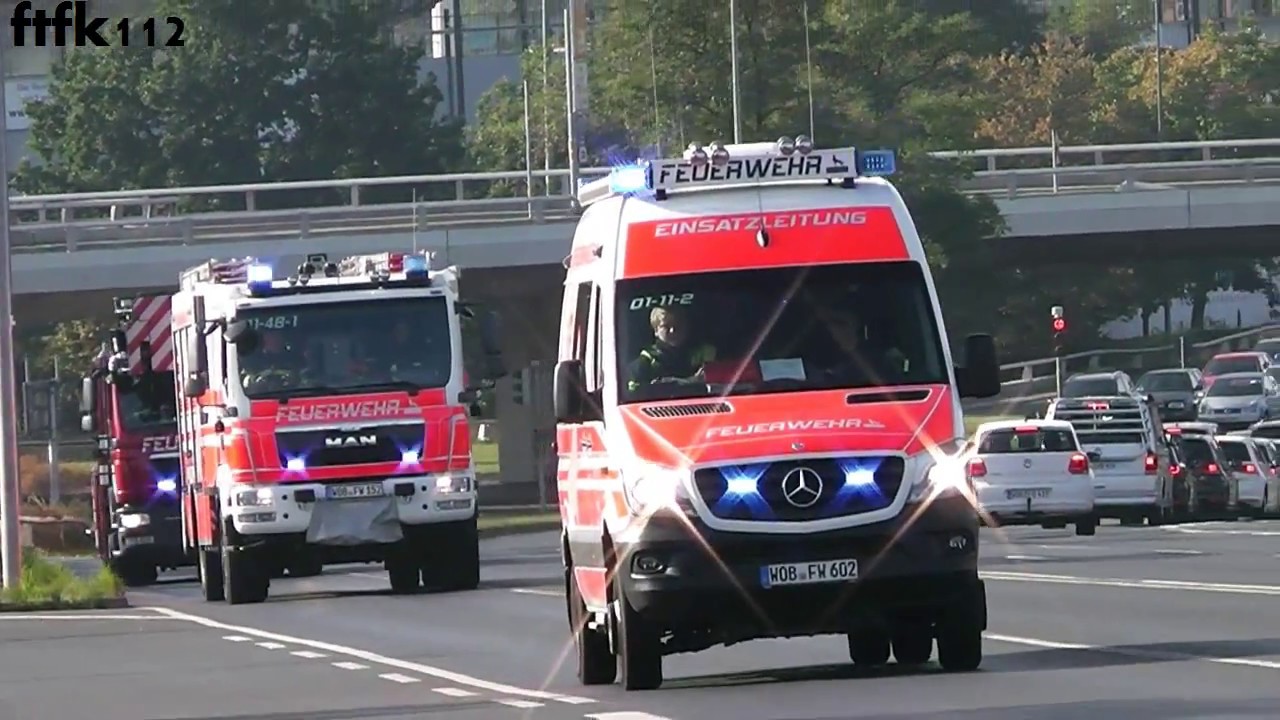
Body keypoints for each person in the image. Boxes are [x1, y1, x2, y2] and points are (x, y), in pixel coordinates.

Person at [627, 305, 717, 391]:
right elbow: (633, 391)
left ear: (686, 326)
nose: (673, 330)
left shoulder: (706, 354)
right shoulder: (645, 363)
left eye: (678, 324)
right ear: (656, 330)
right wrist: (689, 382)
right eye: (666, 326)